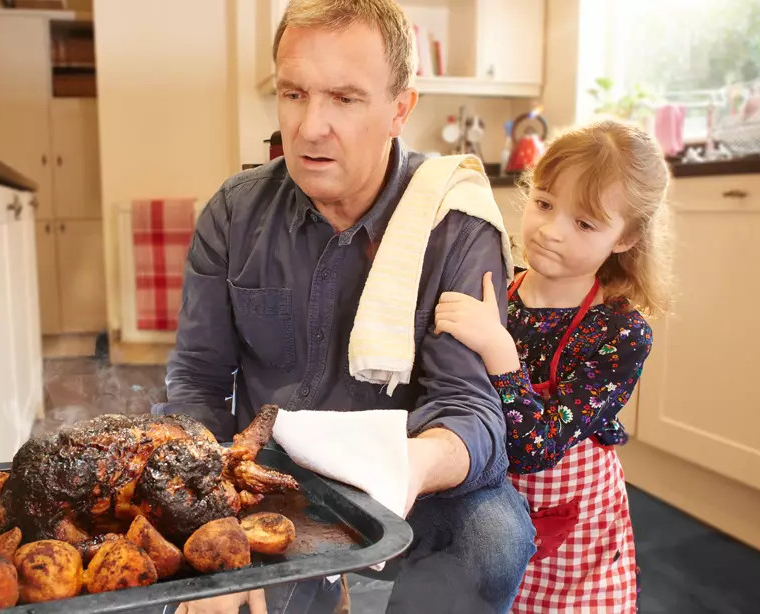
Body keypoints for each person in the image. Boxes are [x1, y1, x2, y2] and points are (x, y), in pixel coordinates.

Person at [154, 0, 535, 612]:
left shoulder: (456, 225)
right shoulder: (235, 212)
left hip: (404, 465)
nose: (309, 127)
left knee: (493, 536)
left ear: (400, 109)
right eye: (294, 93)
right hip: (271, 472)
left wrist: (408, 469)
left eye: (345, 98)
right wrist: (210, 535)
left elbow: (470, 408)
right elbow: (197, 378)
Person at [434, 120, 674, 612]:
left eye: (584, 224)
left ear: (626, 237)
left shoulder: (621, 335)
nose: (549, 231)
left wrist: (498, 348)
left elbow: (536, 448)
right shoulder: (498, 288)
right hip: (491, 503)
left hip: (575, 536)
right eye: (544, 203)